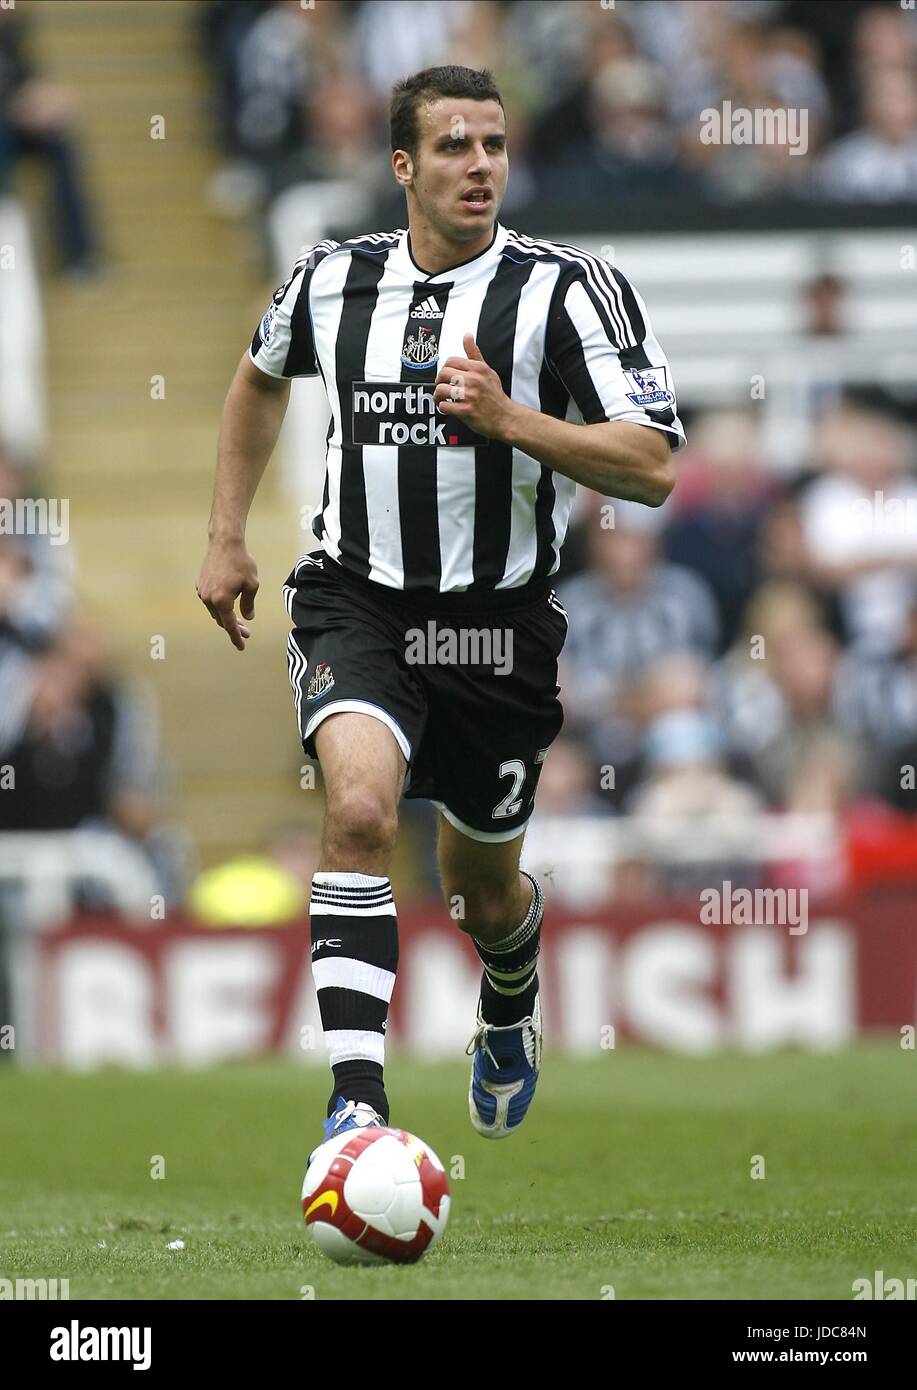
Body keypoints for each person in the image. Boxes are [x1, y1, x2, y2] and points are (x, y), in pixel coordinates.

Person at [196, 66, 684, 1164]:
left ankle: (509, 989)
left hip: (496, 629)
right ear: (402, 166)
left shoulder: (567, 290)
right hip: (354, 598)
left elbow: (648, 465)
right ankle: (356, 1106)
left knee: (481, 890)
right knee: (360, 812)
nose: (479, 167)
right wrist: (228, 532)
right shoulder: (329, 281)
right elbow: (257, 376)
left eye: (494, 147)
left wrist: (512, 418)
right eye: (454, 147)